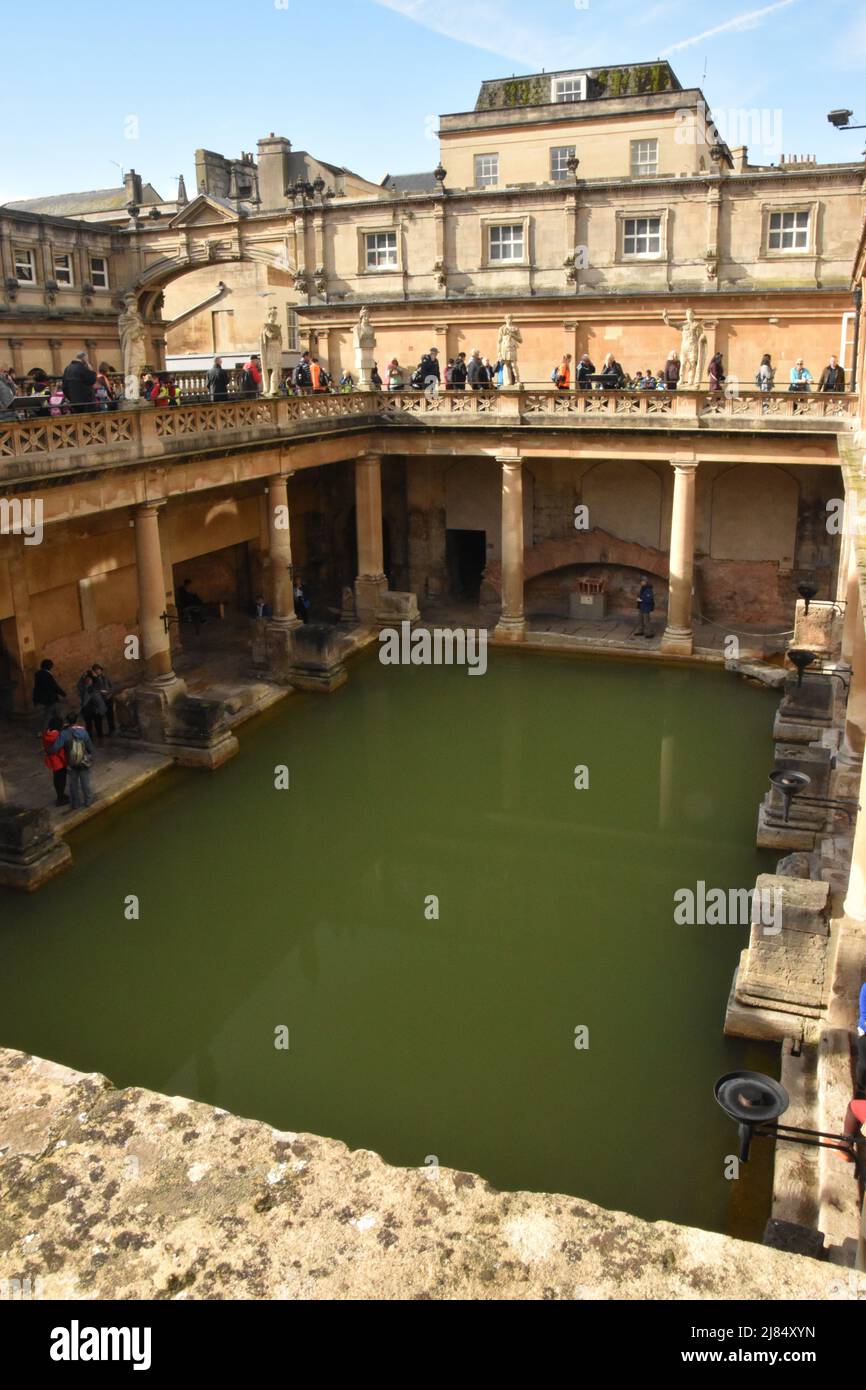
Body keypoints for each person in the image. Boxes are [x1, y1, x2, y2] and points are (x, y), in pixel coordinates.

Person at [52, 714, 94, 811]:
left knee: (73, 784)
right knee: (85, 782)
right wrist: (90, 756)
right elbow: (90, 748)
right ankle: (88, 801)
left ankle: (76, 804)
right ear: (76, 720)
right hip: (83, 761)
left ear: (67, 721)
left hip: (71, 762)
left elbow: (55, 748)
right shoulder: (83, 731)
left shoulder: (64, 733)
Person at [41, 717, 69, 807]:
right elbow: (61, 751)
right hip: (59, 761)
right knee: (62, 780)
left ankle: (60, 795)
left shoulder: (46, 734)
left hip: (52, 761)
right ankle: (61, 798)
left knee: (56, 779)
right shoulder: (57, 737)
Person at [32, 659, 66, 731]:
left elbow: (36, 687)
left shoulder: (38, 674)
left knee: (56, 713)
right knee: (48, 715)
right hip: (50, 698)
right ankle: (44, 731)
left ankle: (59, 726)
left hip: (44, 698)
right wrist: (63, 693)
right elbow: (54, 686)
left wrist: (35, 699)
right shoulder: (48, 675)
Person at [78, 672, 108, 741]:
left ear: (92, 680)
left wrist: (96, 676)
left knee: (98, 723)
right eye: (87, 679)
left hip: (96, 708)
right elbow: (79, 685)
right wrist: (82, 677)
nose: (88, 681)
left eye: (89, 679)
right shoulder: (84, 688)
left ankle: (100, 736)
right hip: (87, 709)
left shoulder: (95, 687)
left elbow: (100, 683)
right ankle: (90, 737)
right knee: (88, 724)